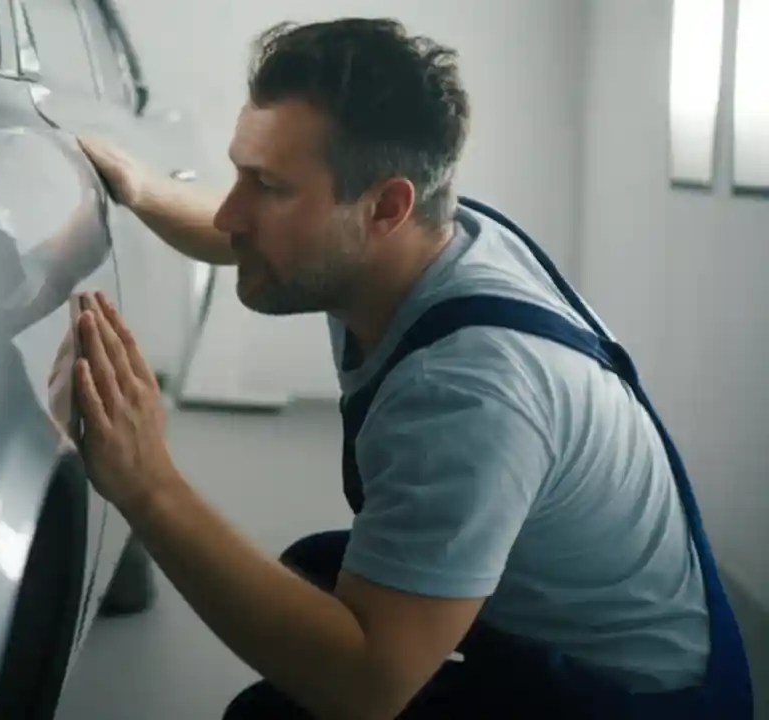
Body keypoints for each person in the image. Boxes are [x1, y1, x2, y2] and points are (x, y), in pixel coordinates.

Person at [66, 17, 752, 720]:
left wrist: (147, 485)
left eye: (267, 186)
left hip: (638, 702)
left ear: (384, 207)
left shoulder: (467, 391)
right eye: (240, 173)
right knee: (315, 571)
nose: (234, 212)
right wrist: (140, 189)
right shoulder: (431, 238)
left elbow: (366, 688)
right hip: (584, 633)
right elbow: (230, 232)